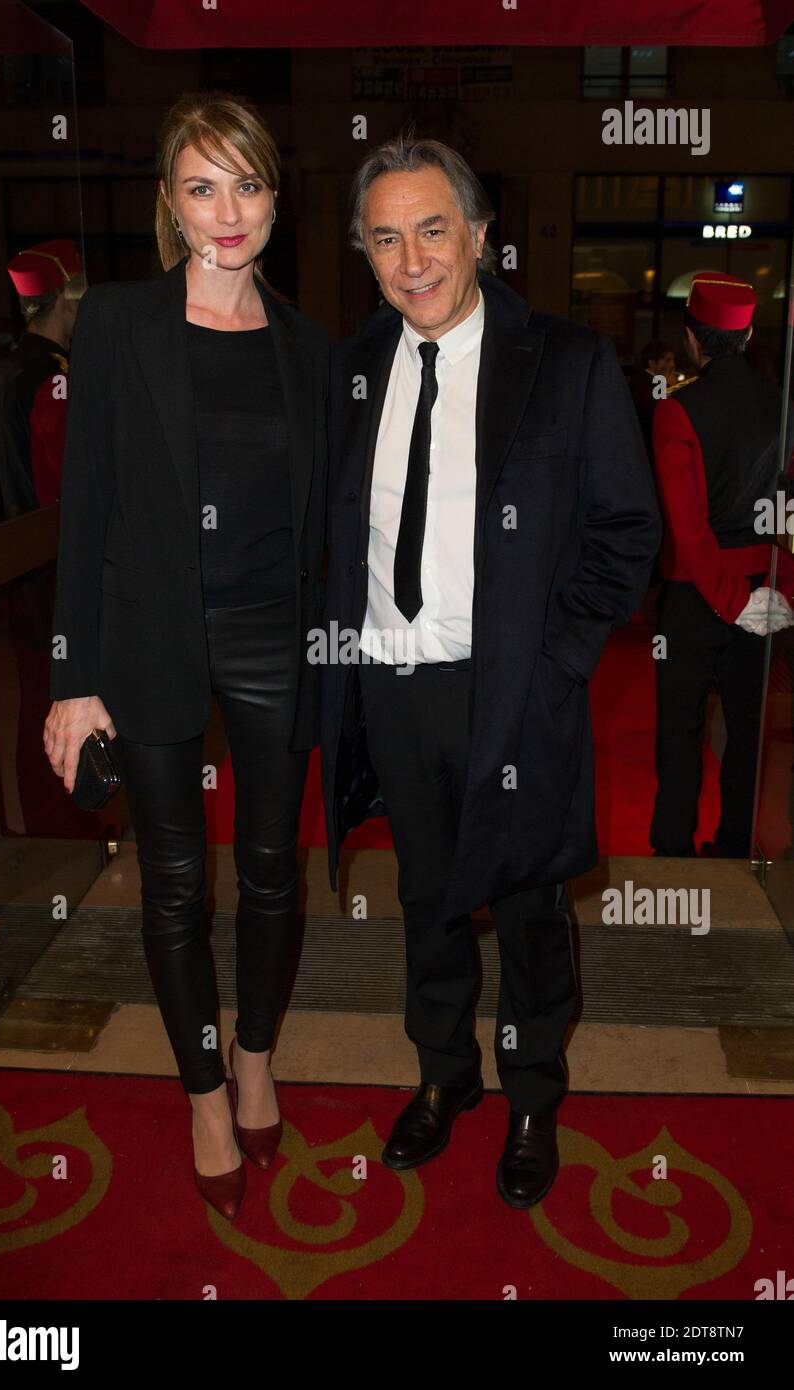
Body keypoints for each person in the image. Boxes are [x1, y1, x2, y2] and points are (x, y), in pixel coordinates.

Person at [320, 136, 661, 1208]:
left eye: (431, 228)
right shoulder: (354, 367)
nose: (410, 257)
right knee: (424, 899)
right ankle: (441, 1075)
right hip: (390, 680)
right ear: (363, 252)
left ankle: (528, 1094)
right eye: (385, 236)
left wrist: (553, 666)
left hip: (512, 689)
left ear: (477, 233)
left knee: (523, 906)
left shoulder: (562, 361)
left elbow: (624, 531)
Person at [43, 91, 329, 1221]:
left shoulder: (309, 345)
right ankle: (204, 1089)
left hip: (273, 633)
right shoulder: (115, 323)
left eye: (247, 185)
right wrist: (73, 675)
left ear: (273, 199)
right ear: (167, 202)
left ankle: (256, 1054)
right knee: (174, 883)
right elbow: (86, 512)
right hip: (147, 633)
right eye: (201, 186)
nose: (227, 211)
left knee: (268, 870)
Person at [650, 271, 794, 859]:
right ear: (750, 331)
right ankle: (737, 842)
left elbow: (687, 528)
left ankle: (673, 846)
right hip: (764, 587)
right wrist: (769, 591)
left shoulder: (677, 412)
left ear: (692, 339)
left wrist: (731, 599)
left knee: (681, 728)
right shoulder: (782, 405)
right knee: (747, 729)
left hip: (694, 594)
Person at [0, 238, 85, 517]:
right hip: (55, 540)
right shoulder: (52, 377)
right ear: (66, 297)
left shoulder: (6, 369)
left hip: (22, 537)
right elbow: (70, 475)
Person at [628, 338, 676, 460]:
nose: (672, 365)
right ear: (652, 363)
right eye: (667, 360)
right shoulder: (653, 385)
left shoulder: (639, 382)